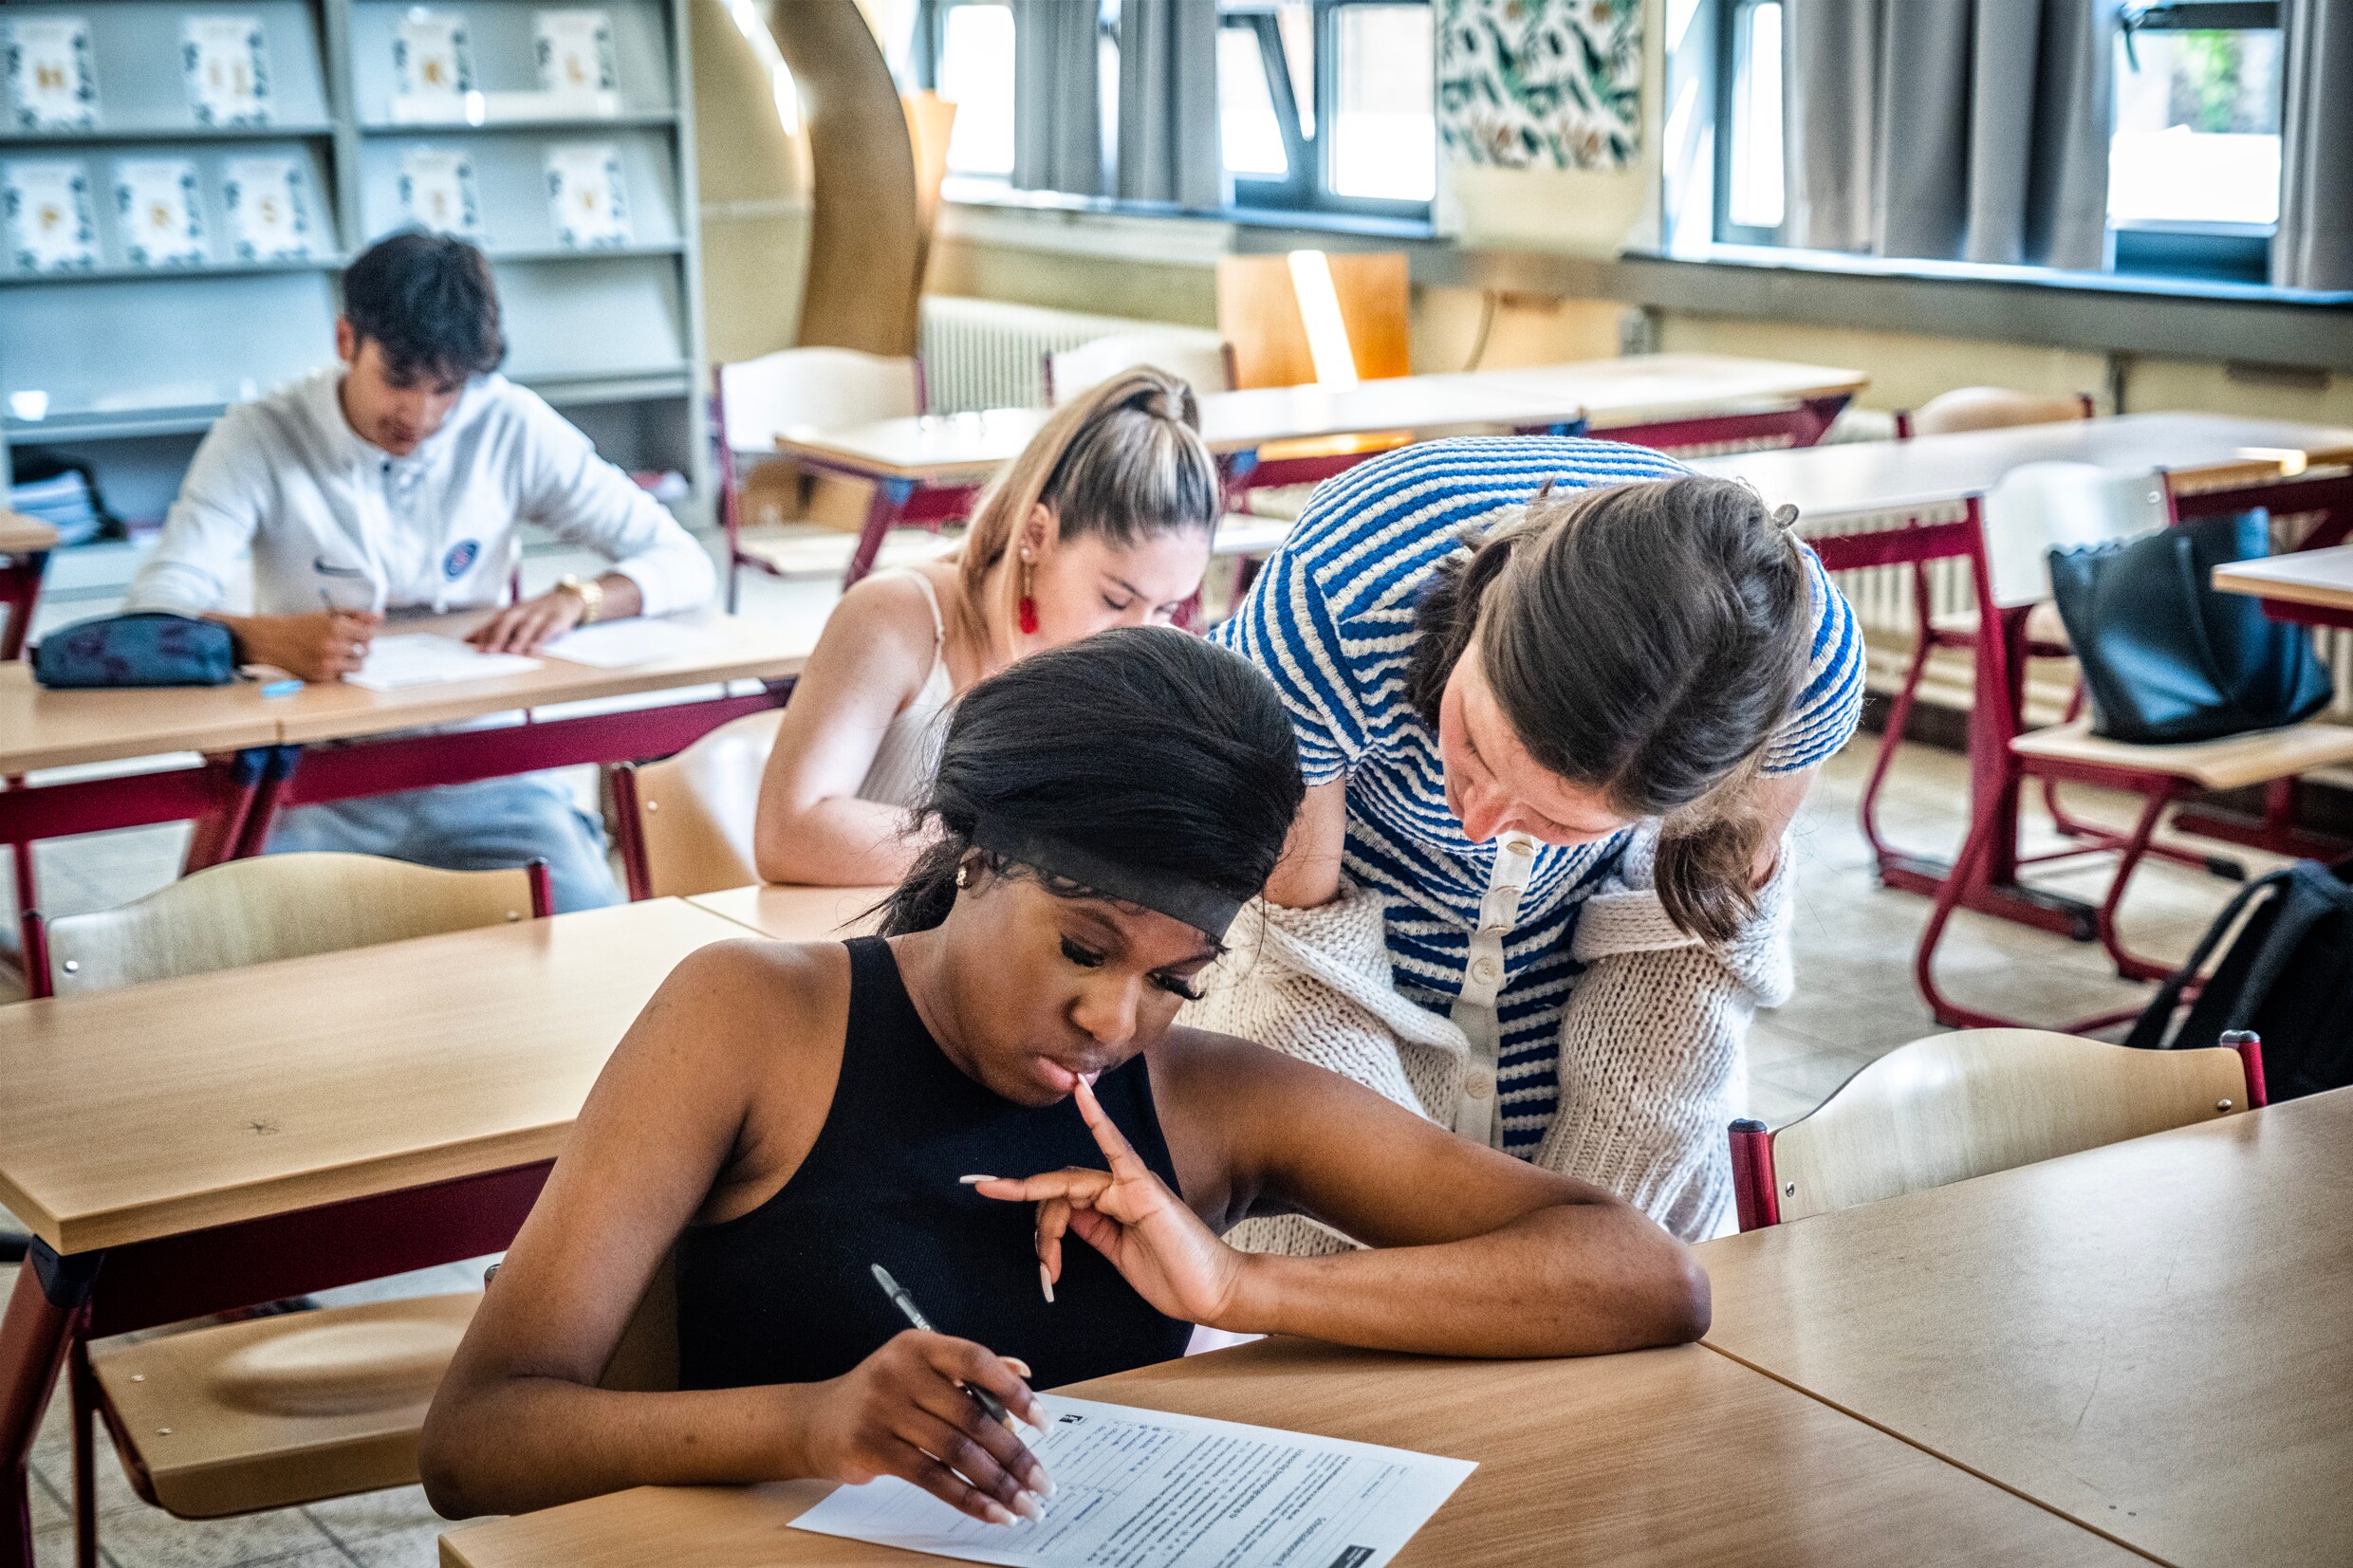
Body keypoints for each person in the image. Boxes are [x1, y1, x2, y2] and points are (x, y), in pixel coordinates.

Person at [421, 628, 1708, 1523]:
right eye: (1084, 948)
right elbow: (478, 1441)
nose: (1113, 1016)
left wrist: (1237, 1281)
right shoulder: (755, 1019)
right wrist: (813, 1424)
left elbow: (1646, 1278)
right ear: (973, 854)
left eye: (1176, 977)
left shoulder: (1207, 1103)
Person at [1211, 437, 1863, 1220]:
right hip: (1362, 920)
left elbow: (1690, 950)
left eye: (1554, 817)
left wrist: (1600, 1222)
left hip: (1573, 929)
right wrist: (1403, 1224)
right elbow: (1296, 959)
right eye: (1476, 744)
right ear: (1487, 606)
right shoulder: (1336, 598)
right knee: (1323, 1238)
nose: (1479, 820)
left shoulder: (1803, 673)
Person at [123, 231, 715, 911]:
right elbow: (155, 613)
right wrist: (264, 641)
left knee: (592, 923)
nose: (421, 415)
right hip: (318, 778)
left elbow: (682, 561)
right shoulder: (261, 434)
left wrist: (582, 598)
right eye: (398, 380)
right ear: (347, 339)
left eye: (447, 389)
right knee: (234, 940)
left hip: (487, 772)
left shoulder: (509, 423)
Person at [753, 368, 1219, 886]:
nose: (1139, 635)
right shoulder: (896, 617)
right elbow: (788, 832)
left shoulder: (1137, 664)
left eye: (1167, 610)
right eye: (1116, 598)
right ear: (1038, 534)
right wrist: (1028, 847)